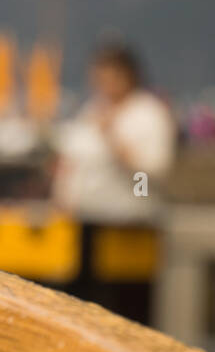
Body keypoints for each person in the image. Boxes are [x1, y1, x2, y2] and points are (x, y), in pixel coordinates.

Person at [52, 43, 175, 223]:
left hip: (131, 223)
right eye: (99, 77)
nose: (104, 84)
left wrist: (113, 139)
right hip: (85, 219)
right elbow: (72, 163)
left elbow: (154, 170)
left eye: (111, 76)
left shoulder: (149, 113)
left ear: (128, 75)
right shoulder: (92, 110)